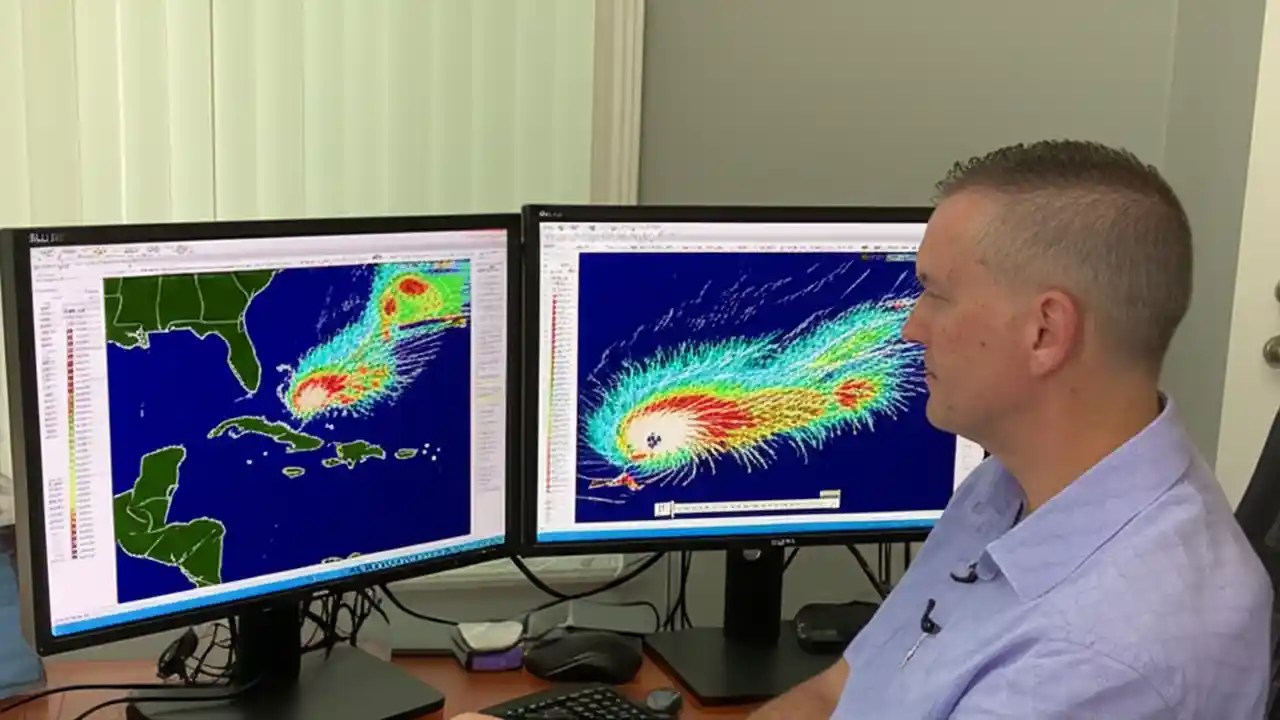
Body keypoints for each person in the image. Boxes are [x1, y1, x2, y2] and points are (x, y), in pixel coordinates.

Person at [746, 139, 1273, 718]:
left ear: (1045, 332)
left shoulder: (1108, 657)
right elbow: (840, 692)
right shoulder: (1007, 485)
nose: (911, 329)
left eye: (936, 294)